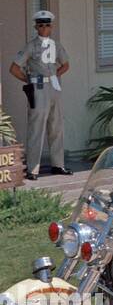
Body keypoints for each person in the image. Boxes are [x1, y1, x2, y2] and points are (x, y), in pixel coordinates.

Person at [8, 10, 71, 180]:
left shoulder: (55, 45)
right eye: (41, 25)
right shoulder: (31, 46)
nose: (44, 28)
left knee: (56, 126)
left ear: (52, 26)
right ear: (36, 27)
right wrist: (29, 80)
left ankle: (58, 164)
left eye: (47, 25)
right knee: (37, 128)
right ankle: (32, 168)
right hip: (39, 87)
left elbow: (65, 64)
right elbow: (14, 68)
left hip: (53, 87)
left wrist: (54, 75)